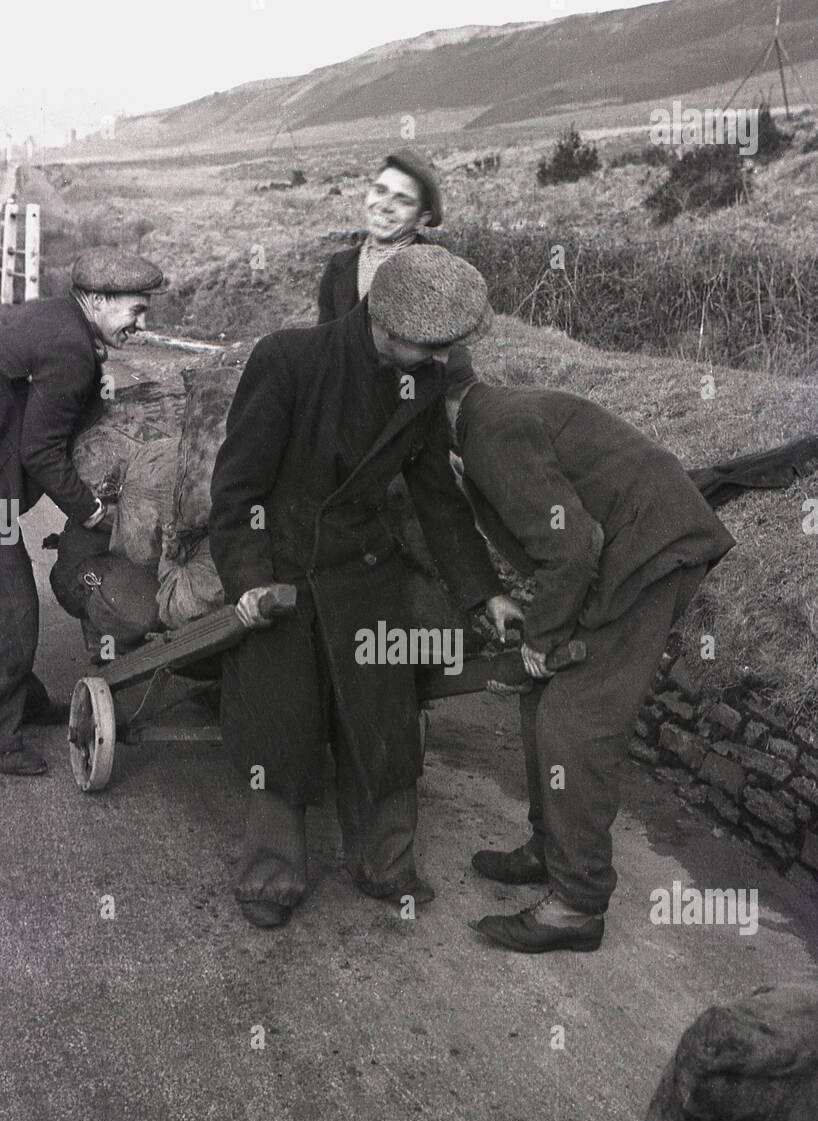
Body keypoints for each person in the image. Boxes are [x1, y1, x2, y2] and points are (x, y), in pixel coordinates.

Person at [209, 246, 522, 929]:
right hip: (283, 567)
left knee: (386, 725)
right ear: (384, 322)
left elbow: (439, 500)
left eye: (449, 348)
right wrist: (250, 583)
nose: (443, 360)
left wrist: (482, 593)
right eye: (432, 346)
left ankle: (385, 865)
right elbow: (235, 495)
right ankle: (271, 879)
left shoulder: (425, 382)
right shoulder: (289, 361)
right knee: (281, 732)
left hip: (365, 570)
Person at [442, 360, 736, 954]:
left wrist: (541, 642)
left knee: (576, 721)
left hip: (649, 553)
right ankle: (549, 849)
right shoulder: (488, 415)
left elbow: (573, 545)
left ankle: (576, 906)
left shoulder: (492, 430)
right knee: (543, 699)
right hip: (623, 549)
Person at [0, 248, 166, 776]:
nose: (142, 324)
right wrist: (95, 511)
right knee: (16, 610)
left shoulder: (59, 318)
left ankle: (23, 700)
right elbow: (40, 452)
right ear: (95, 300)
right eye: (134, 311)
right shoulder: (71, 344)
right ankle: (3, 741)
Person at [317, 149, 442, 324]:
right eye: (380, 191)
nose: (385, 206)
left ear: (422, 218)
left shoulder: (437, 269)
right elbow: (326, 341)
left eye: (402, 200)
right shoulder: (339, 265)